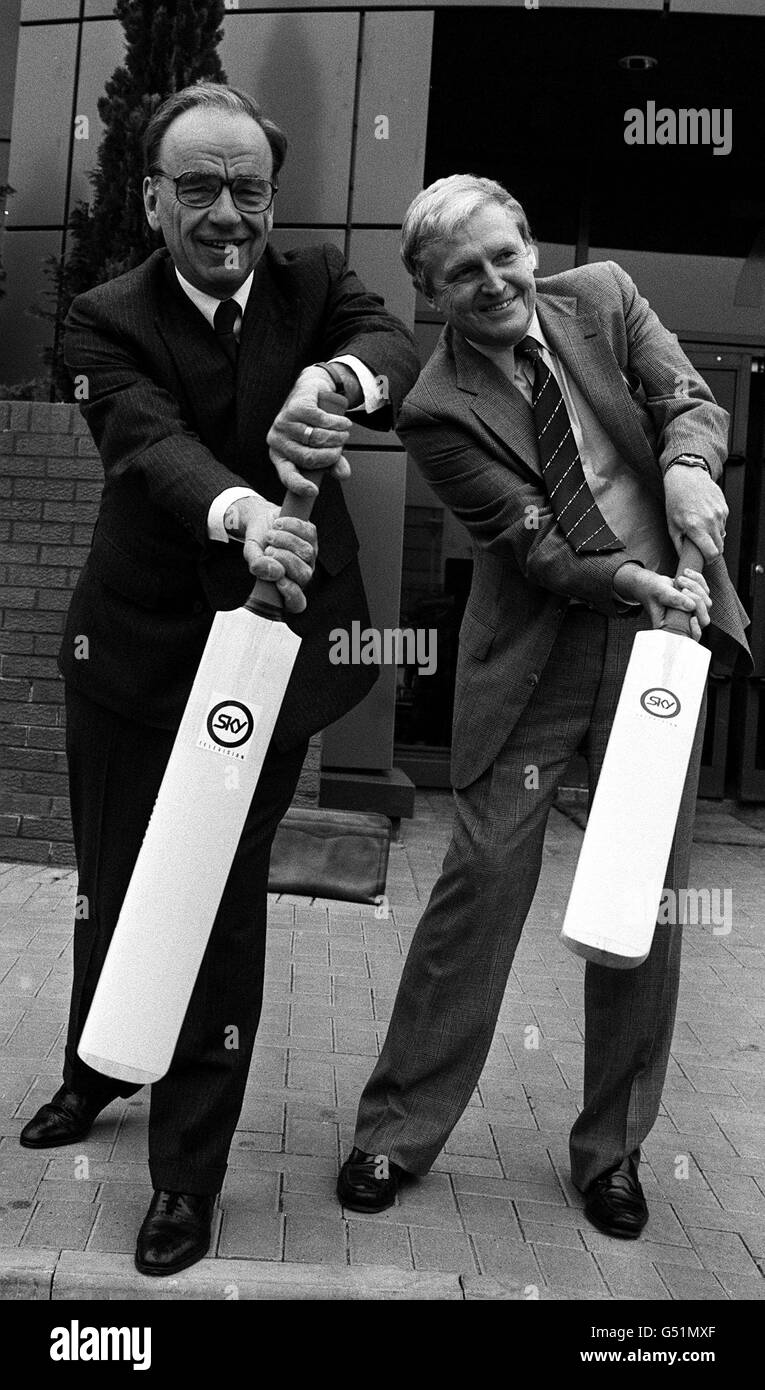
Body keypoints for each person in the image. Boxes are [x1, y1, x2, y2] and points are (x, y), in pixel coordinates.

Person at [19, 82, 418, 1277]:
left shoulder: (315, 284)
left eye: (248, 186)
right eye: (199, 186)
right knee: (111, 878)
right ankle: (100, 1062)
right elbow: (146, 443)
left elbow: (391, 342)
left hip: (274, 659)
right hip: (135, 654)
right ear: (152, 197)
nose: (228, 212)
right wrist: (245, 514)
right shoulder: (102, 313)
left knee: (215, 894)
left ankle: (186, 1176)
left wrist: (334, 387)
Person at [338, 175, 751, 1240]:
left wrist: (695, 466)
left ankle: (612, 1152)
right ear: (430, 291)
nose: (492, 282)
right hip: (541, 649)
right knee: (478, 886)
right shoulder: (436, 407)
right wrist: (633, 579)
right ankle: (395, 1129)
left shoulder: (605, 297)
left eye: (503, 255)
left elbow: (687, 401)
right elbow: (536, 544)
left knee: (641, 899)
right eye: (461, 272)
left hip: (658, 645)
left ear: (529, 244)